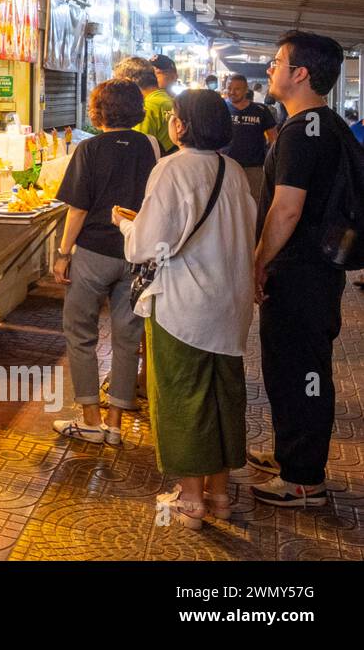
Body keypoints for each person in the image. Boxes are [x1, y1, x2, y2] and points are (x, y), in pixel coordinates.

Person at [114, 90, 256, 528]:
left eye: (175, 117)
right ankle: (220, 495)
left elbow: (146, 246)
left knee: (183, 397)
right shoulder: (232, 171)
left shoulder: (172, 169)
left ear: (182, 125)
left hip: (185, 307)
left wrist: (125, 223)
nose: (172, 123)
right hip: (230, 306)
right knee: (223, 398)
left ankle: (191, 500)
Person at [251, 30, 348, 507]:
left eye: (277, 62)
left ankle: (305, 478)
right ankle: (292, 458)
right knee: (295, 369)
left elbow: (286, 209)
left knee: (301, 370)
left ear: (300, 74)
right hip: (314, 273)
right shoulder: (321, 125)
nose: (271, 69)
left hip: (300, 274)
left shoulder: (303, 130)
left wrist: (258, 261)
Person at [50, 79, 156, 445]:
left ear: (98, 111)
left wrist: (63, 254)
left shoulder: (89, 148)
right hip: (134, 251)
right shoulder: (149, 147)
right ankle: (114, 424)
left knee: (80, 333)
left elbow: (77, 209)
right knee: (129, 338)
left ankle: (90, 419)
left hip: (93, 252)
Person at [222, 74, 278, 201]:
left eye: (237, 89)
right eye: (229, 88)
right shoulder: (221, 109)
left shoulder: (260, 110)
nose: (232, 92)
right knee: (228, 204)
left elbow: (274, 138)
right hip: (227, 167)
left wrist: (272, 163)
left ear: (246, 90)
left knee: (254, 203)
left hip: (254, 168)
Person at [113, 56, 173, 156]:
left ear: (128, 81)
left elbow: (136, 149)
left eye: (119, 83)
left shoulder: (146, 108)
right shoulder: (170, 101)